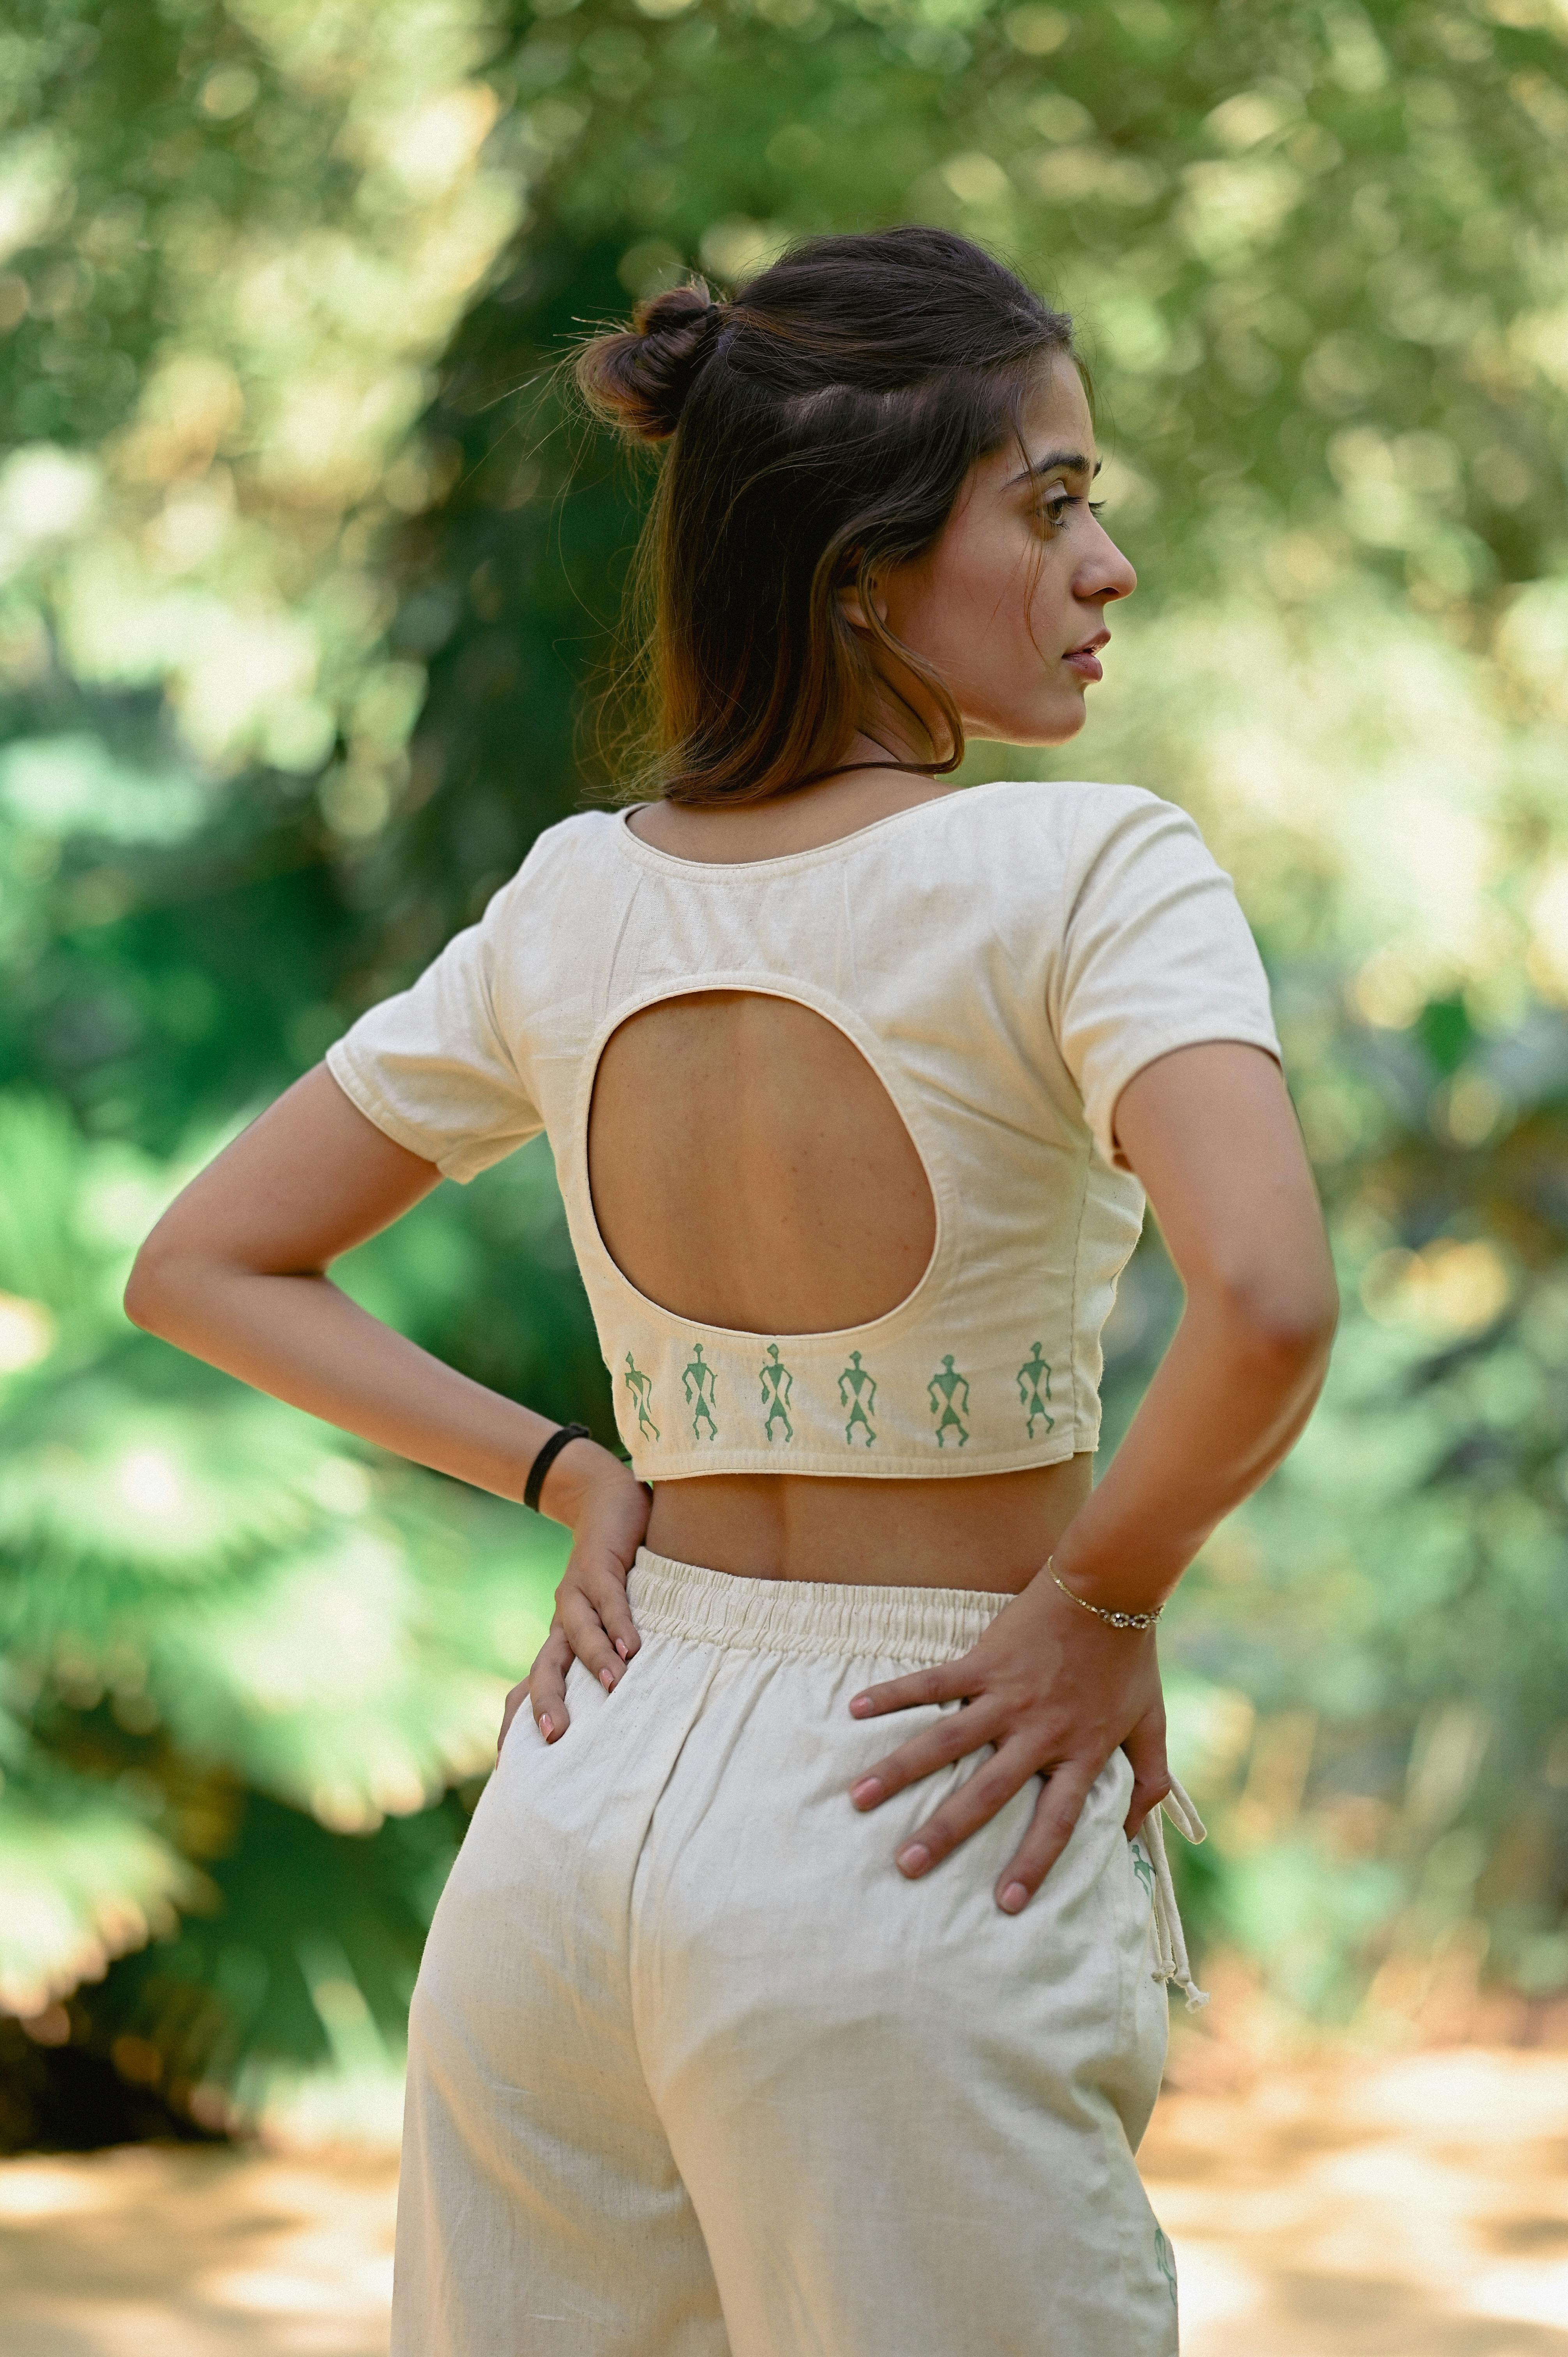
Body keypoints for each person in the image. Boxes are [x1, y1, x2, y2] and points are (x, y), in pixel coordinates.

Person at [125, 226, 1338, 2356]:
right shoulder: (1088, 871)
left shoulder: (574, 897)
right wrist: (1100, 1603)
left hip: (575, 1814)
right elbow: (1266, 1293)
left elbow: (204, 1262)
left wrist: (570, 1477)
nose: (1107, 562)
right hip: (924, 1783)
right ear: (862, 570)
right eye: (1047, 504)